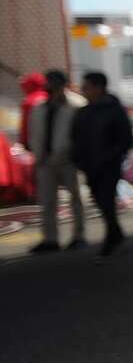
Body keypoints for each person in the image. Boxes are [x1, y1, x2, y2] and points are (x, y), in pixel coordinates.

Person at [71, 72, 133, 261]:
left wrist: (113, 155)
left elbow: (125, 136)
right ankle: (115, 233)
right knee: (99, 200)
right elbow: (76, 137)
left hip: (109, 164)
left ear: (98, 88)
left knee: (106, 200)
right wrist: (79, 160)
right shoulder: (83, 112)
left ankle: (111, 238)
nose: (83, 90)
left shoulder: (114, 110)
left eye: (87, 86)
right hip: (90, 165)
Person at [27, 70, 86, 253]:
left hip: (69, 160)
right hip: (44, 161)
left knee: (76, 198)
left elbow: (82, 135)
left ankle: (79, 236)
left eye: (54, 83)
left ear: (62, 85)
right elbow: (33, 134)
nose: (51, 87)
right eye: (48, 83)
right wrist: (37, 155)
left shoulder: (76, 105)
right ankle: (50, 238)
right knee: (46, 201)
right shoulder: (39, 107)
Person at [18, 72, 49, 151]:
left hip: (35, 143)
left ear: (30, 85)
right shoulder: (49, 97)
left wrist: (23, 143)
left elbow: (25, 126)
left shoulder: (28, 101)